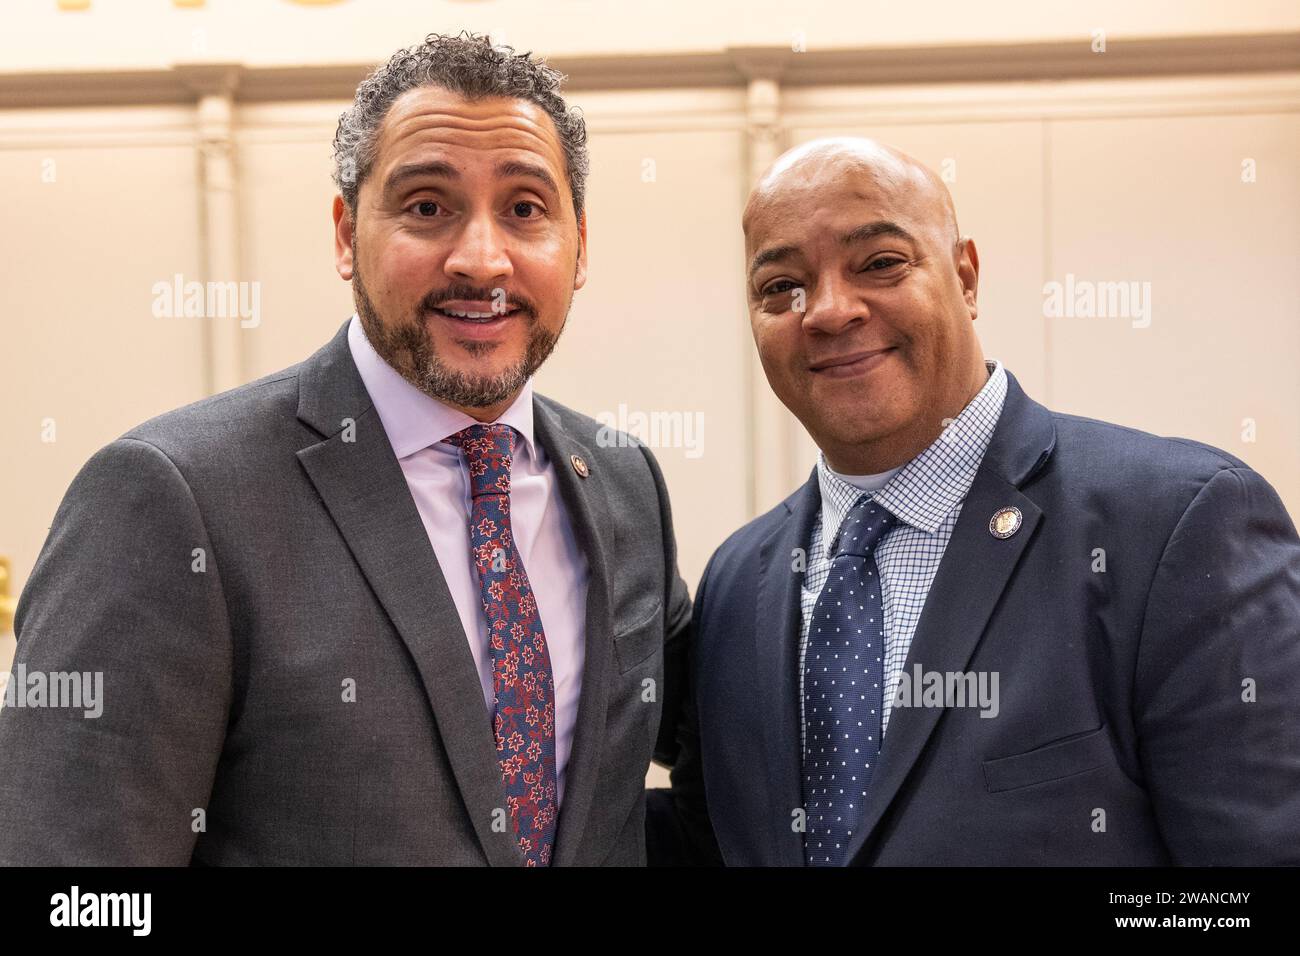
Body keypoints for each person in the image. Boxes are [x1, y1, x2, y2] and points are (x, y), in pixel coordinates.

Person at [0, 32, 690, 867]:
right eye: (427, 206)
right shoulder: (170, 498)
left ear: (579, 245)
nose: (482, 258)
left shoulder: (621, 483)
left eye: (525, 209)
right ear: (343, 233)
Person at [649, 137, 1300, 866]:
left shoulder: (1181, 525)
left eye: (880, 263)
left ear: (965, 277)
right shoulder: (739, 579)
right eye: (780, 287)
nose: (828, 311)